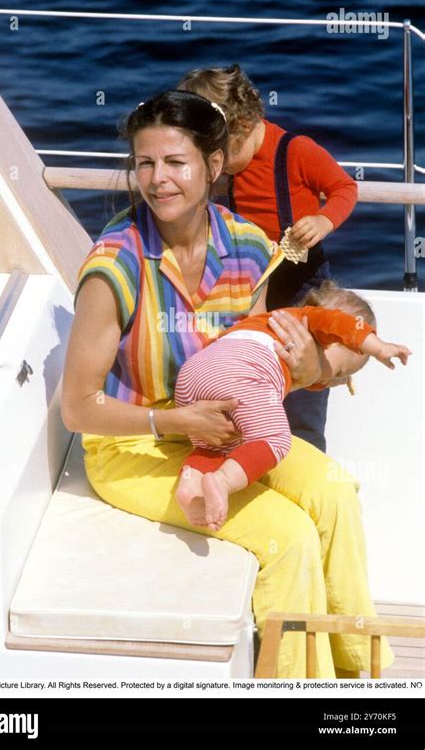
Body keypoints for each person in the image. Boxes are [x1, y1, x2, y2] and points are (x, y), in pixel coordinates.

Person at [61, 89, 394, 678]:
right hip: (135, 445)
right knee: (290, 538)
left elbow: (253, 365)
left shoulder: (248, 246)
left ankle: (354, 674)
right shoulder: (113, 266)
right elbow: (78, 408)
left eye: (175, 162)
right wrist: (172, 420)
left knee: (336, 494)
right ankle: (291, 686)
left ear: (214, 165)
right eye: (145, 163)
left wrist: (313, 372)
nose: (157, 179)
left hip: (224, 430)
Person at [177, 64, 359, 453]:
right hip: (249, 278)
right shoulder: (226, 162)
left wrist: (323, 221)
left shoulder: (296, 151)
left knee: (301, 371)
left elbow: (344, 187)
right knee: (248, 368)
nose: (218, 165)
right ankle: (250, 446)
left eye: (223, 154)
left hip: (301, 282)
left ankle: (306, 449)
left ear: (244, 126)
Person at [174, 281, 412, 532]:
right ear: (332, 339)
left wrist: (331, 377)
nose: (331, 380)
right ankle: (222, 481)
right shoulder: (315, 319)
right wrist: (378, 346)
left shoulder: (268, 322)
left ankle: (191, 486)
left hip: (192, 376)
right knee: (275, 440)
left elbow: (313, 379)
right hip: (243, 373)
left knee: (215, 444)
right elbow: (344, 325)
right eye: (340, 371)